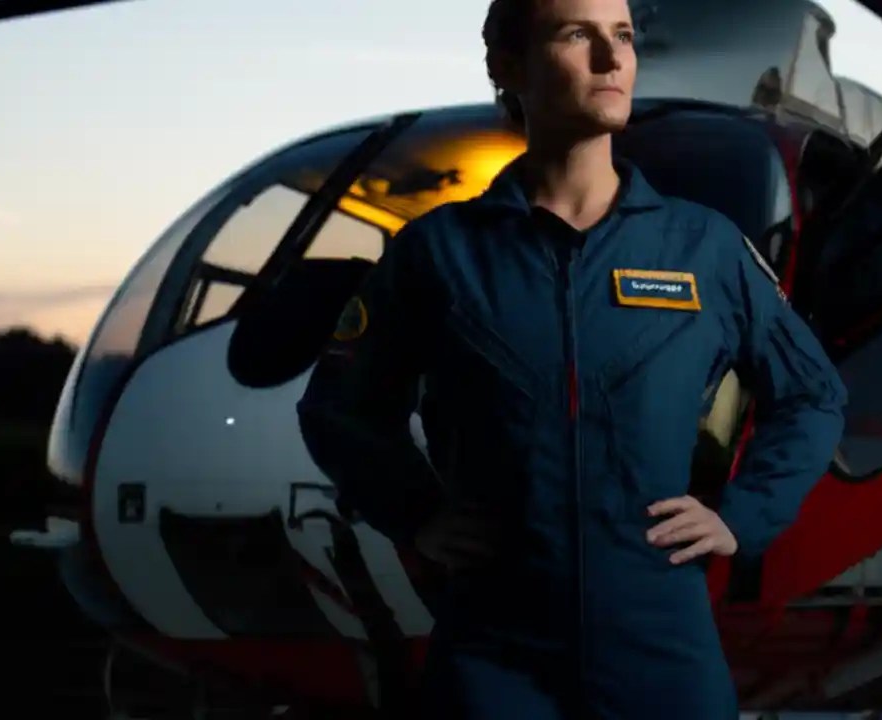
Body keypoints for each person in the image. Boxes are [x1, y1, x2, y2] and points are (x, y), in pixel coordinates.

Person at [295, 0, 848, 717]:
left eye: (621, 36)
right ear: (508, 66)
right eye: (575, 34)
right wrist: (416, 513)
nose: (611, 58)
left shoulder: (702, 249)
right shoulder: (440, 252)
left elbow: (813, 395)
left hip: (660, 646)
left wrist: (743, 515)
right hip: (495, 650)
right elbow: (339, 406)